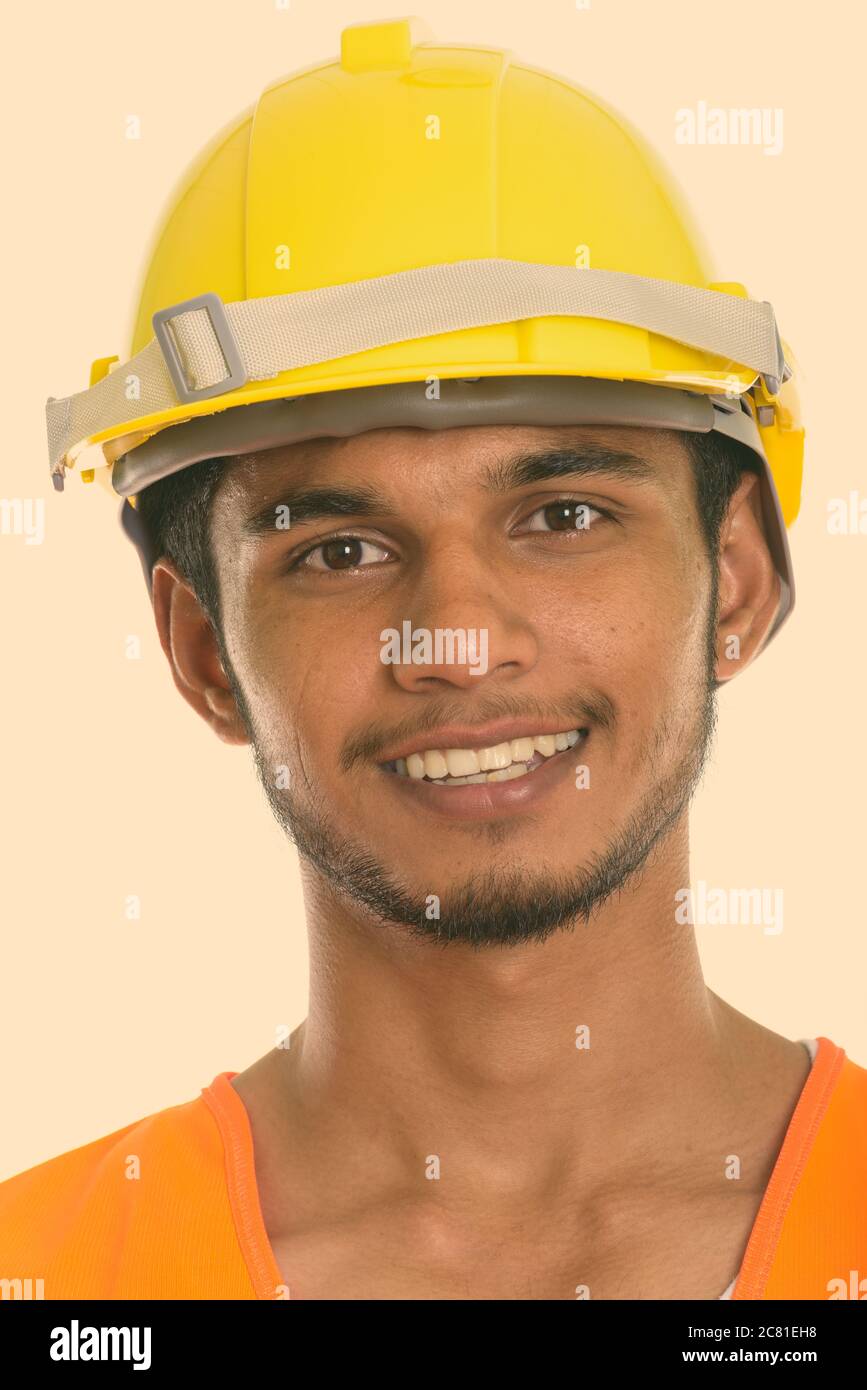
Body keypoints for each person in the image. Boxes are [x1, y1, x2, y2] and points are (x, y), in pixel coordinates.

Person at [2, 17, 864, 1302]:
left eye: (563, 516)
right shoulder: (46, 1281)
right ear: (203, 651)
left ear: (737, 579)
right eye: (340, 550)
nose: (458, 641)